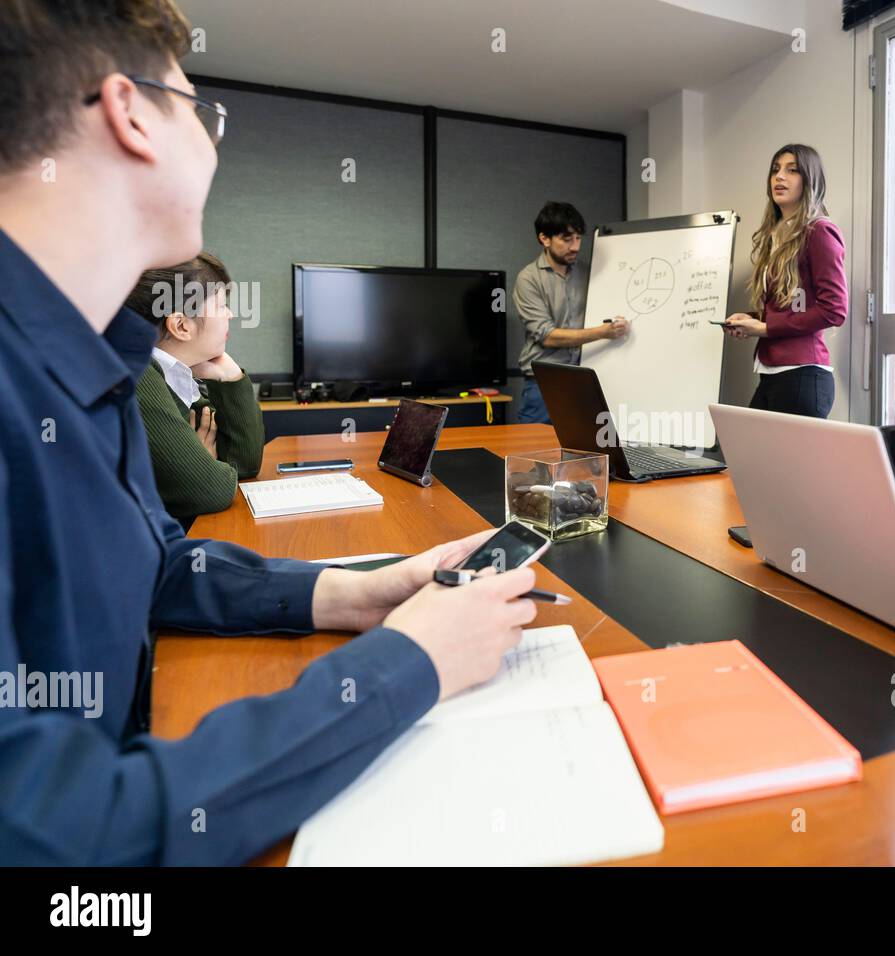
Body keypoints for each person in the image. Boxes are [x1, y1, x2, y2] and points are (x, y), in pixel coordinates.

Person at [0, 0, 537, 864]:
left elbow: (158, 566)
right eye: (200, 110)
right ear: (131, 115)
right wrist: (408, 667)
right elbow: (52, 833)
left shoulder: (94, 359)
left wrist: (359, 593)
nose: (216, 143)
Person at [125, 251, 264, 527]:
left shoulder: (176, 374)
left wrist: (230, 377)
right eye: (222, 305)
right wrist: (205, 468)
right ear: (181, 325)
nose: (231, 314)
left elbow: (244, 464)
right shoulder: (138, 377)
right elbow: (211, 491)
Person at [723, 144, 848, 418]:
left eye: (792, 171)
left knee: (770, 459)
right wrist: (751, 320)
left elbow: (834, 310)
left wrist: (766, 328)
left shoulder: (820, 232)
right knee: (753, 457)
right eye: (775, 170)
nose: (780, 177)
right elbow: (791, 307)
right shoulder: (777, 234)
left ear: (809, 180)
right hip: (773, 372)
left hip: (802, 375)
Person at [513, 201, 628, 423]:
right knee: (535, 452)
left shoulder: (589, 274)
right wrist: (604, 332)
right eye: (566, 239)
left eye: (578, 238)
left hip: (585, 378)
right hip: (544, 384)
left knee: (582, 452)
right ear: (544, 238)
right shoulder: (528, 279)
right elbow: (548, 336)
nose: (575, 246)